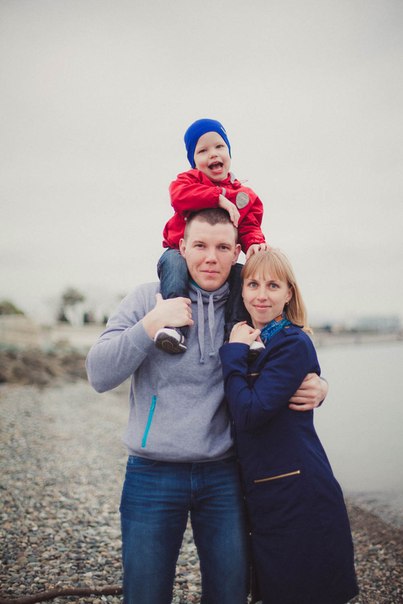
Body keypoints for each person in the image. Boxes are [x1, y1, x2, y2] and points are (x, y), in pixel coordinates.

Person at [86, 209, 328, 604]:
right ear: (181, 247)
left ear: (236, 252)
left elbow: (290, 352)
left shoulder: (247, 303)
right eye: (199, 245)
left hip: (224, 473)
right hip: (152, 473)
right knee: (146, 594)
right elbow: (98, 374)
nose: (211, 258)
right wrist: (151, 324)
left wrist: (320, 383)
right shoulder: (148, 298)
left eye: (222, 248)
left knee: (230, 594)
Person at [219, 249, 359, 604]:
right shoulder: (252, 338)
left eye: (273, 285)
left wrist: (233, 353)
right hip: (267, 491)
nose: (261, 295)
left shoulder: (292, 343)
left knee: (305, 591)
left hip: (299, 495)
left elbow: (249, 413)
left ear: (288, 293)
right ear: (242, 291)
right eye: (252, 284)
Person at [155, 117, 269, 354]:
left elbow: (249, 225)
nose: (213, 154)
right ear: (194, 161)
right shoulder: (188, 181)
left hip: (219, 262)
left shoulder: (243, 194)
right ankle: (174, 327)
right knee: (173, 264)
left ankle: (237, 332)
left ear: (229, 152)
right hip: (179, 253)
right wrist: (217, 198)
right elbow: (179, 196)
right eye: (203, 150)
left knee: (242, 274)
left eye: (219, 146)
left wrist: (255, 243)